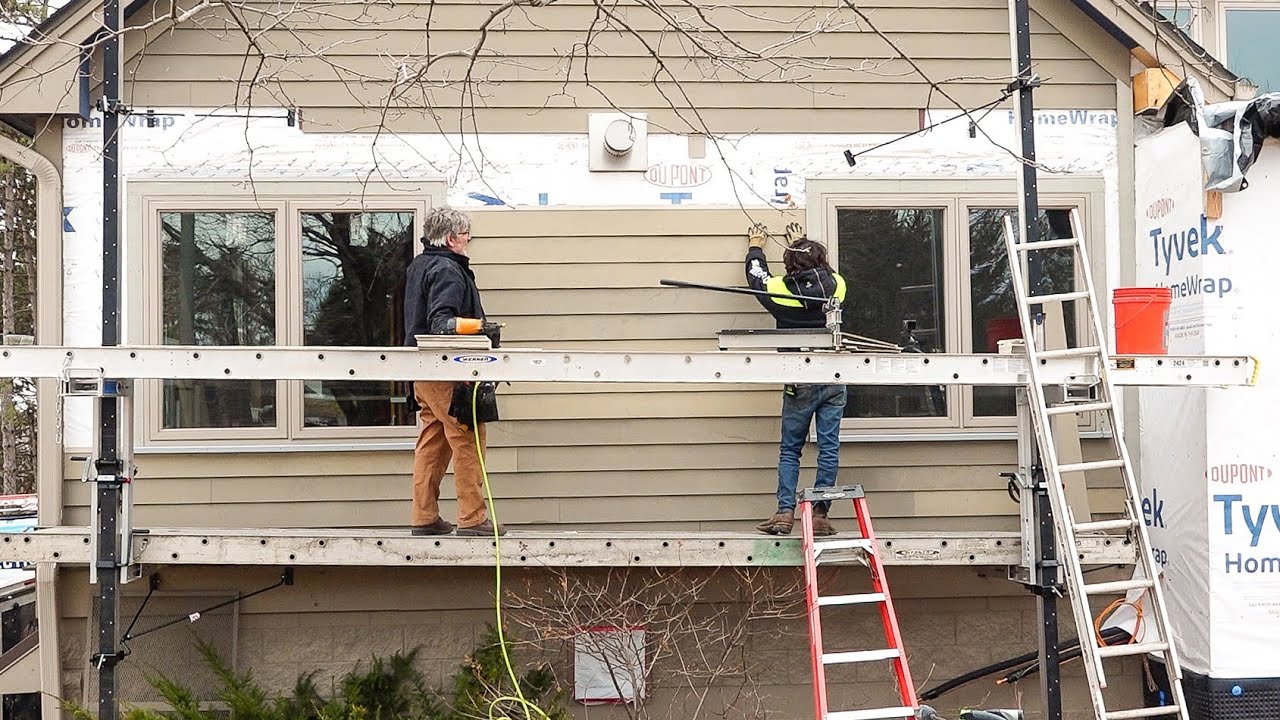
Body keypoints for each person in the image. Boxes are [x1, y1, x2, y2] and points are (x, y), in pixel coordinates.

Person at [403, 207, 504, 537]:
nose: (468, 241)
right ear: (450, 239)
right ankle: (473, 518)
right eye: (465, 236)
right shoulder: (447, 269)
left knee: (432, 442)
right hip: (447, 372)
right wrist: (482, 327)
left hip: (422, 373)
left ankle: (424, 517)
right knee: (468, 439)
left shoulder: (420, 266)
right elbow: (440, 324)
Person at [744, 221, 848, 537]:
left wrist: (756, 247)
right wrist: (801, 242)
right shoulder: (838, 285)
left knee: (791, 449)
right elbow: (819, 274)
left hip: (799, 380)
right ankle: (819, 515)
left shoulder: (779, 291)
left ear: (790, 265)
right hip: (833, 376)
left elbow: (757, 277)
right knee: (828, 446)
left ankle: (784, 513)